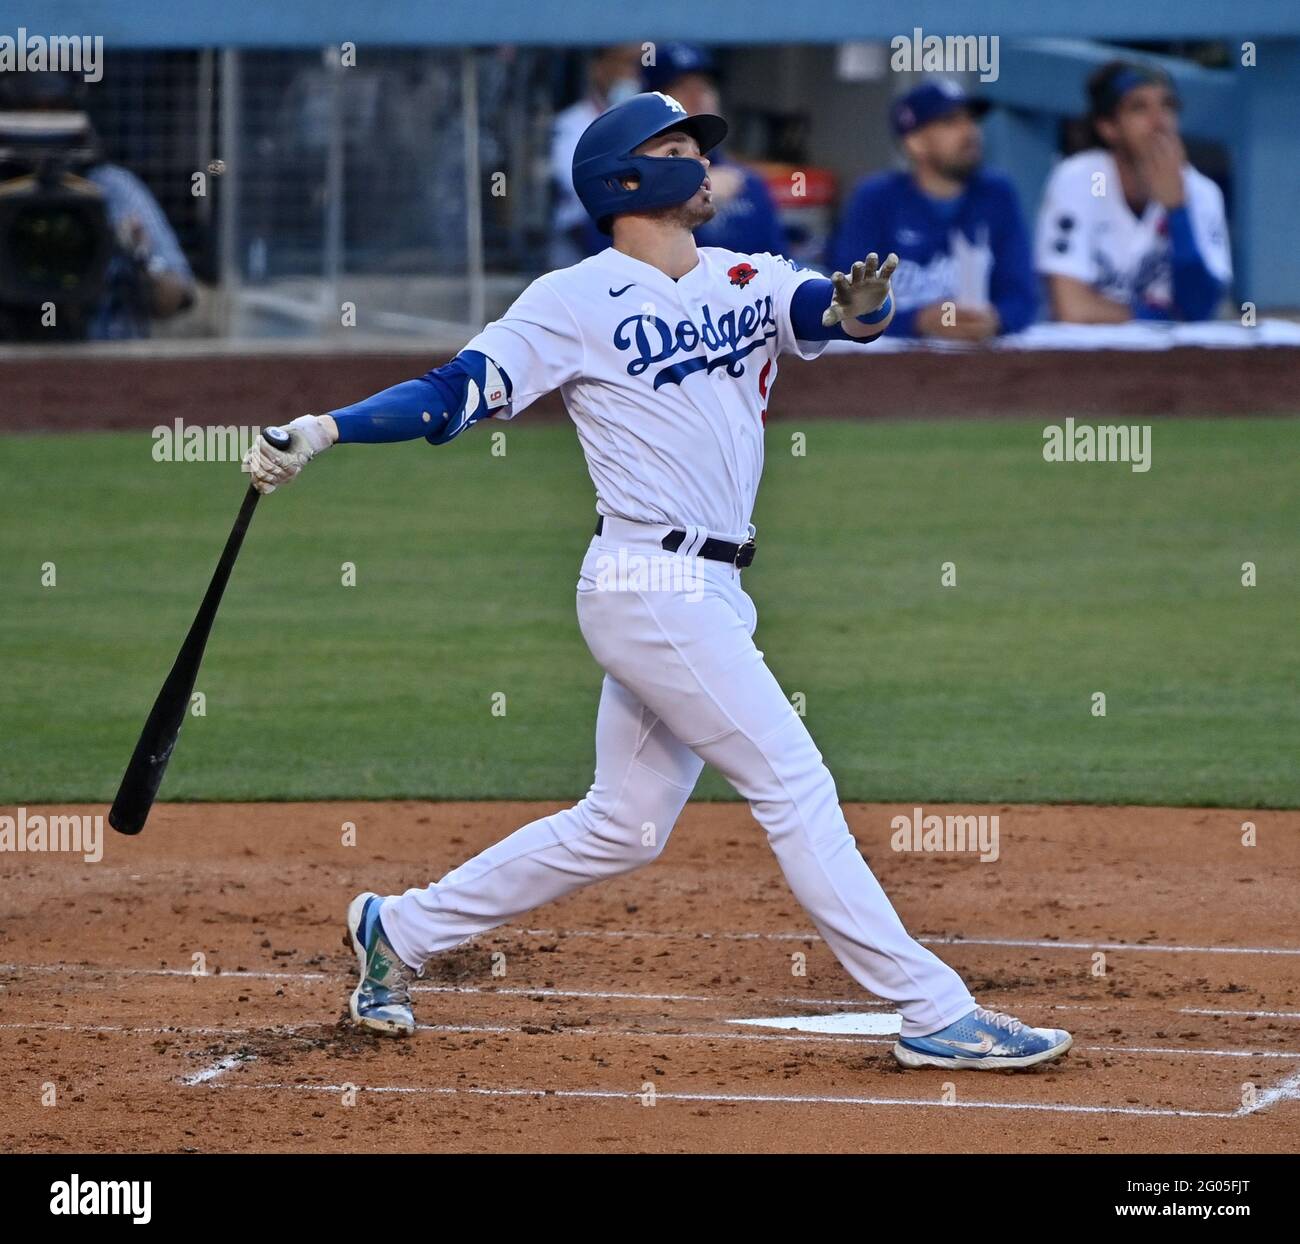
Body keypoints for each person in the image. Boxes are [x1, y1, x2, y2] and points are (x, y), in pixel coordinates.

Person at [243, 91, 1072, 1072]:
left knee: (623, 823)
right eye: (681, 148)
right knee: (794, 781)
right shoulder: (571, 300)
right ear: (627, 181)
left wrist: (862, 308)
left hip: (708, 590)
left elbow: (831, 310)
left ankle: (400, 928)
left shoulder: (746, 275)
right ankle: (931, 1005)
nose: (706, 162)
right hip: (647, 582)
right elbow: (451, 393)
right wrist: (323, 428)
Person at [828, 79, 1037, 342]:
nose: (969, 131)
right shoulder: (875, 198)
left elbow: (1023, 297)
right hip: (889, 364)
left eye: (970, 120)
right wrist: (918, 321)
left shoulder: (997, 193)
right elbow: (846, 300)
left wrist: (996, 319)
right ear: (915, 142)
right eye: (950, 122)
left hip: (981, 359)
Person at [0, 70, 194, 340]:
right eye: (29, 108)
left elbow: (176, 296)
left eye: (55, 108)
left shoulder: (112, 187)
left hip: (104, 362)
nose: (41, 119)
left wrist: (138, 259)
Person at [1036, 60, 1231, 323]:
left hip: (1172, 361)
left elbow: (1200, 310)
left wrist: (1178, 212)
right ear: (1108, 127)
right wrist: (1157, 317)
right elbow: (1071, 309)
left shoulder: (1202, 192)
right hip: (1085, 359)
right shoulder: (1080, 179)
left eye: (1168, 106)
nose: (1159, 121)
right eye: (1139, 108)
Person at [642, 42, 788, 256]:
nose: (698, 96)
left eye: (705, 86)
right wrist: (684, 192)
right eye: (682, 87)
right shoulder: (633, 182)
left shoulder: (748, 182)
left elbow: (779, 264)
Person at [549, 44, 643, 267]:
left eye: (638, 64)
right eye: (626, 63)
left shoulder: (649, 121)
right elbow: (578, 180)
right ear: (598, 68)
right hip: (578, 237)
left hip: (635, 232)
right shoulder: (571, 122)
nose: (633, 73)